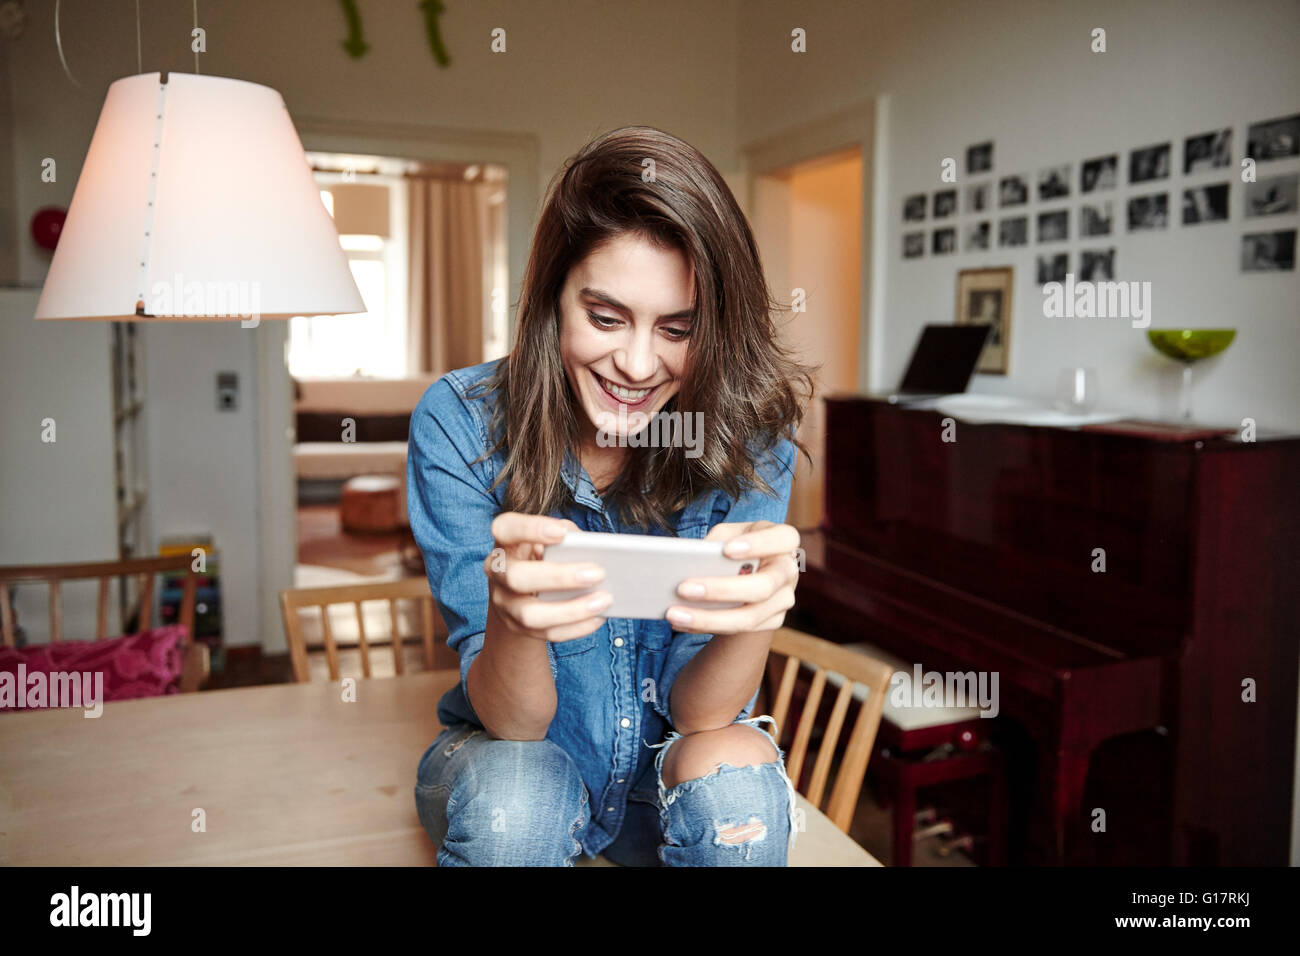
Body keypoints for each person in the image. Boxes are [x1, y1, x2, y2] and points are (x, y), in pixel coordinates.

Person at [408, 126, 814, 866]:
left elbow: (703, 716)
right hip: (509, 757)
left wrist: (760, 616)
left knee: (738, 792)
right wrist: (514, 621)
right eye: (604, 317)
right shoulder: (462, 421)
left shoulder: (750, 440)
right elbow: (515, 724)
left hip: (662, 774)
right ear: (552, 299)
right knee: (519, 800)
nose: (634, 363)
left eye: (677, 329)